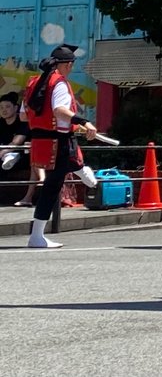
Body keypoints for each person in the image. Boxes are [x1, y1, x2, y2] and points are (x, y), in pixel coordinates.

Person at [20, 44, 98, 248]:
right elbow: (59, 110)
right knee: (54, 183)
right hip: (58, 140)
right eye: (71, 64)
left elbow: (22, 114)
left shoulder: (32, 82)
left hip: (39, 139)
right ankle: (37, 236)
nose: (71, 68)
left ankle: (37, 235)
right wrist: (82, 121)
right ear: (67, 64)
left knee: (54, 181)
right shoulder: (59, 83)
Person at [1, 91, 39, 207]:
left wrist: (4, 151)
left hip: (22, 156)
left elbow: (17, 142)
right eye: (1, 107)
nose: (4, 110)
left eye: (7, 107)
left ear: (16, 107)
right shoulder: (0, 123)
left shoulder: (22, 123)